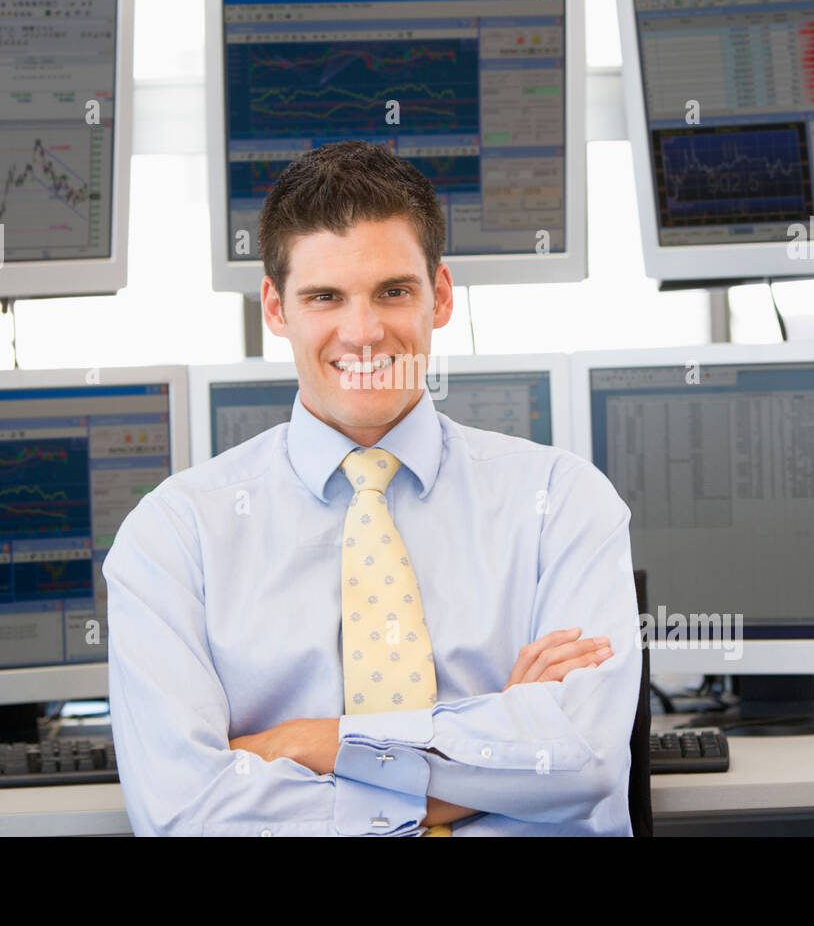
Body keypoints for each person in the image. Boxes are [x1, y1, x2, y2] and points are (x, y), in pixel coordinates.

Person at [104, 140, 641, 836]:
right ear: (275, 307)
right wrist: (494, 749)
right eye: (324, 297)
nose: (363, 333)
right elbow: (188, 813)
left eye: (393, 291)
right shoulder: (175, 535)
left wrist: (310, 742)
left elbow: (585, 763)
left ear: (439, 296)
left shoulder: (562, 503)